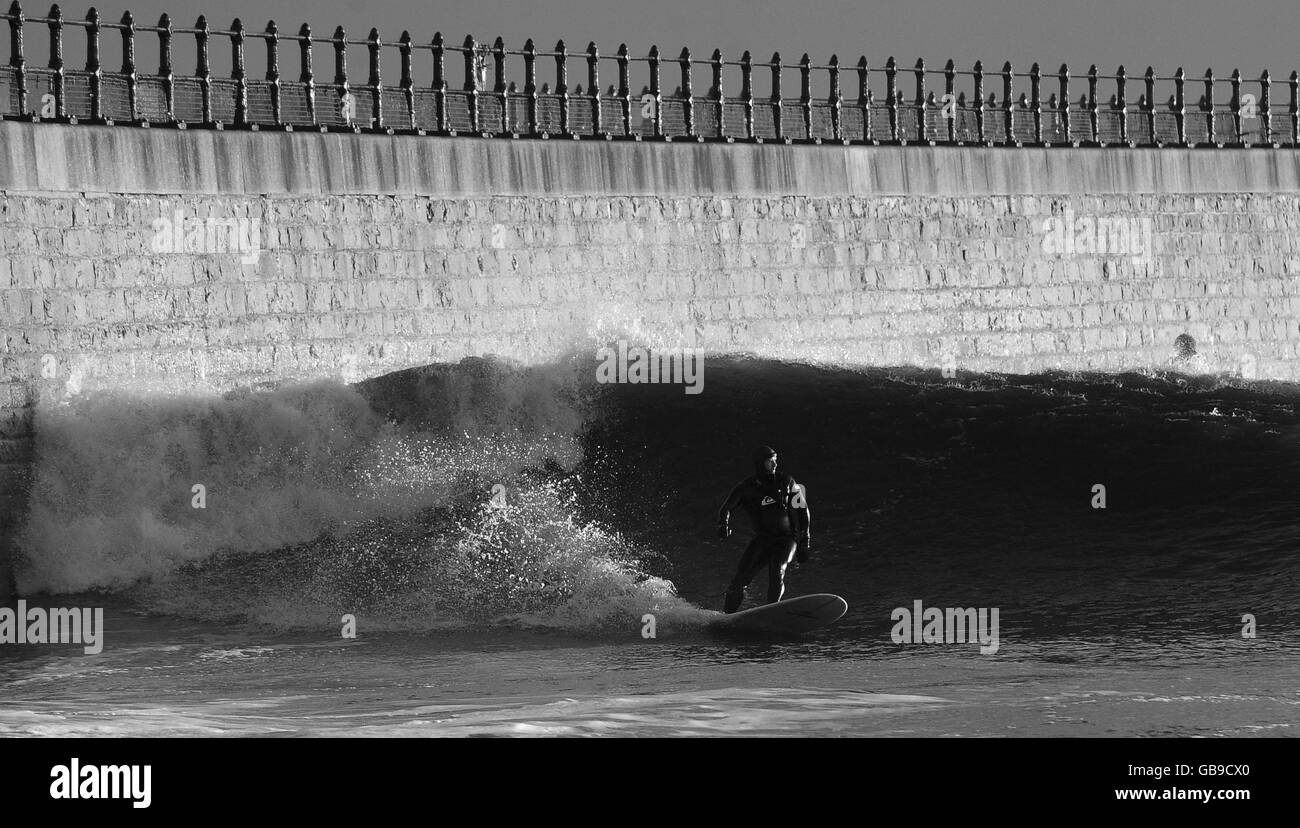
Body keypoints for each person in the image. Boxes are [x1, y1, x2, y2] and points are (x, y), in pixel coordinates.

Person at [716, 445, 811, 613]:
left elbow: (803, 511)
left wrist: (805, 541)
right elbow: (726, 508)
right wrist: (723, 525)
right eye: (770, 462)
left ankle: (771, 610)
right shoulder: (746, 487)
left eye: (776, 461)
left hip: (786, 539)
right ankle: (727, 616)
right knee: (740, 579)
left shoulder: (787, 481)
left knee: (777, 568)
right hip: (763, 539)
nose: (775, 465)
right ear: (760, 464)